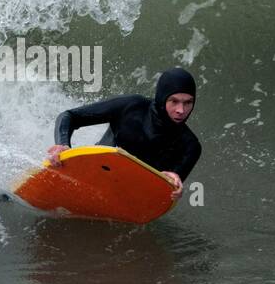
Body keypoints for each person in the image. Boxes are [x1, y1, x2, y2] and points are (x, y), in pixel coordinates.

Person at [47, 67, 201, 200]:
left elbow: (167, 191)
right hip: (93, 174)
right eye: (174, 101)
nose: (181, 110)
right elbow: (69, 116)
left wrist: (172, 184)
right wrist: (62, 144)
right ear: (162, 98)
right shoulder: (131, 107)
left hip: (126, 193)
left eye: (188, 102)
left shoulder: (191, 146)